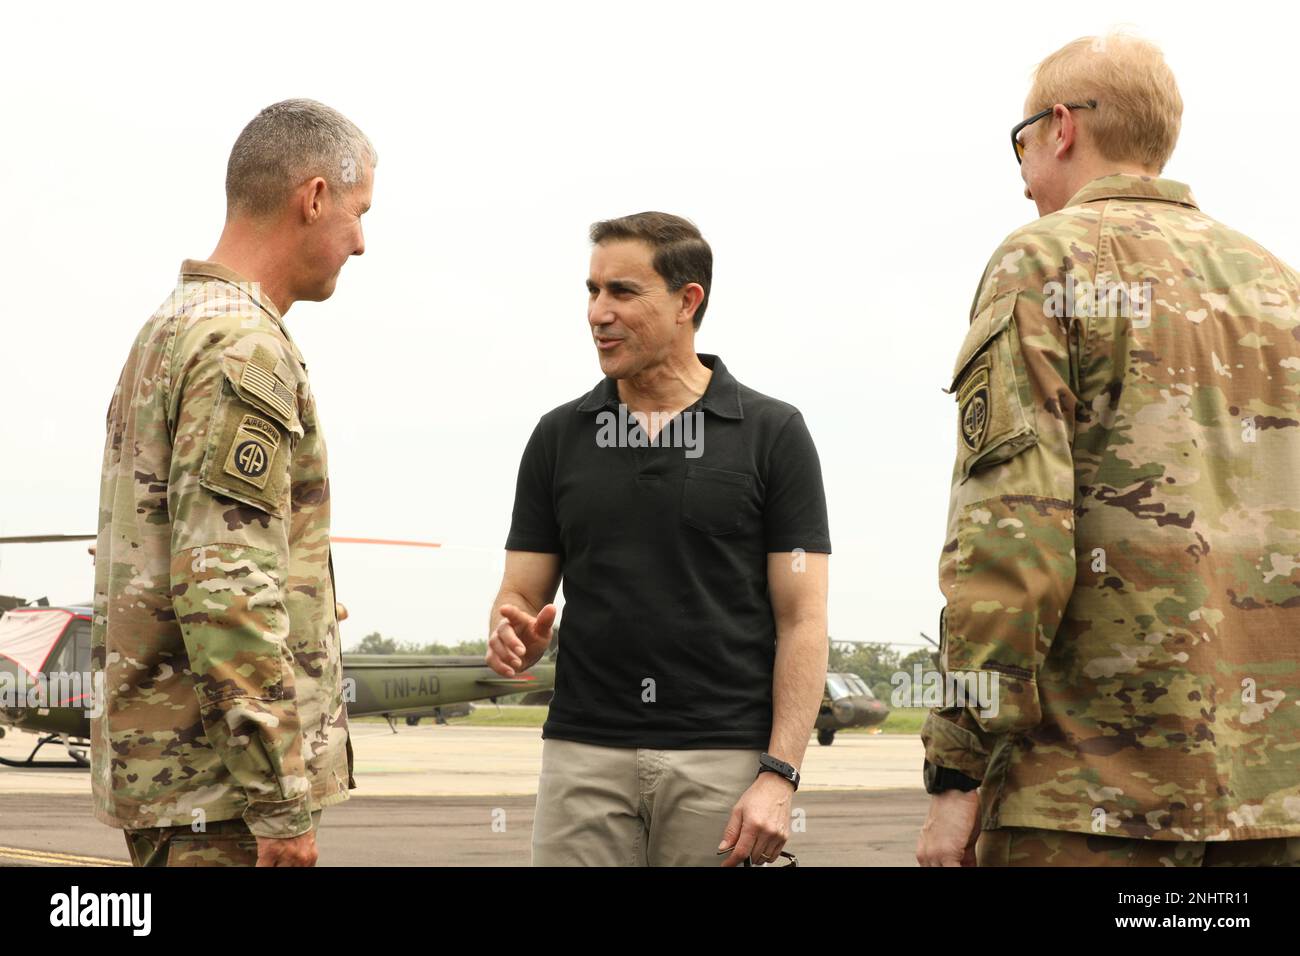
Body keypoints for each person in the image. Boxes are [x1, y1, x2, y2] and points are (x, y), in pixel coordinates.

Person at [917, 33, 1300, 867]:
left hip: (1086, 803)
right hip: (1270, 804)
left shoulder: (1043, 258)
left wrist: (956, 768)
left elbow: (1012, 541)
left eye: (1019, 140)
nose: (1020, 170)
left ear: (1060, 127)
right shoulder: (1278, 283)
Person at [487, 212, 830, 866]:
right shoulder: (557, 437)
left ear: (687, 301)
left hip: (722, 762)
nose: (597, 313)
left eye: (622, 291)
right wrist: (512, 633)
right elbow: (519, 592)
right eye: (591, 291)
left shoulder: (772, 433)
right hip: (582, 756)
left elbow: (803, 620)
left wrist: (779, 775)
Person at [91, 99, 375, 867]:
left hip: (177, 782)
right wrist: (278, 800)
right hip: (220, 801)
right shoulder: (241, 344)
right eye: (357, 213)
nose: (360, 241)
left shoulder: (172, 325)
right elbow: (227, 592)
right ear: (313, 198)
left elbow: (174, 552)